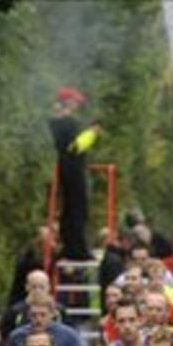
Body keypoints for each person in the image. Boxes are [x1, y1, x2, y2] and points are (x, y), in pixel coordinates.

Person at [48, 86, 101, 260]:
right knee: (78, 208)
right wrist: (92, 133)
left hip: (65, 165)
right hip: (73, 166)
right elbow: (75, 146)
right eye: (75, 102)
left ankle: (69, 245)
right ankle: (77, 249)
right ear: (68, 102)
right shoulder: (68, 122)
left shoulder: (54, 121)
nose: (77, 105)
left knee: (69, 208)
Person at [6, 292, 87, 346]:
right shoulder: (17, 336)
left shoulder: (67, 335)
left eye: (43, 315)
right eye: (34, 315)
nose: (38, 320)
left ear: (52, 314)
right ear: (28, 315)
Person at [0, 270, 63, 341]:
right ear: (27, 287)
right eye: (34, 287)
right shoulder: (15, 311)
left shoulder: (59, 311)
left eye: (41, 287)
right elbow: (5, 337)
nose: (38, 291)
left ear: (48, 287)